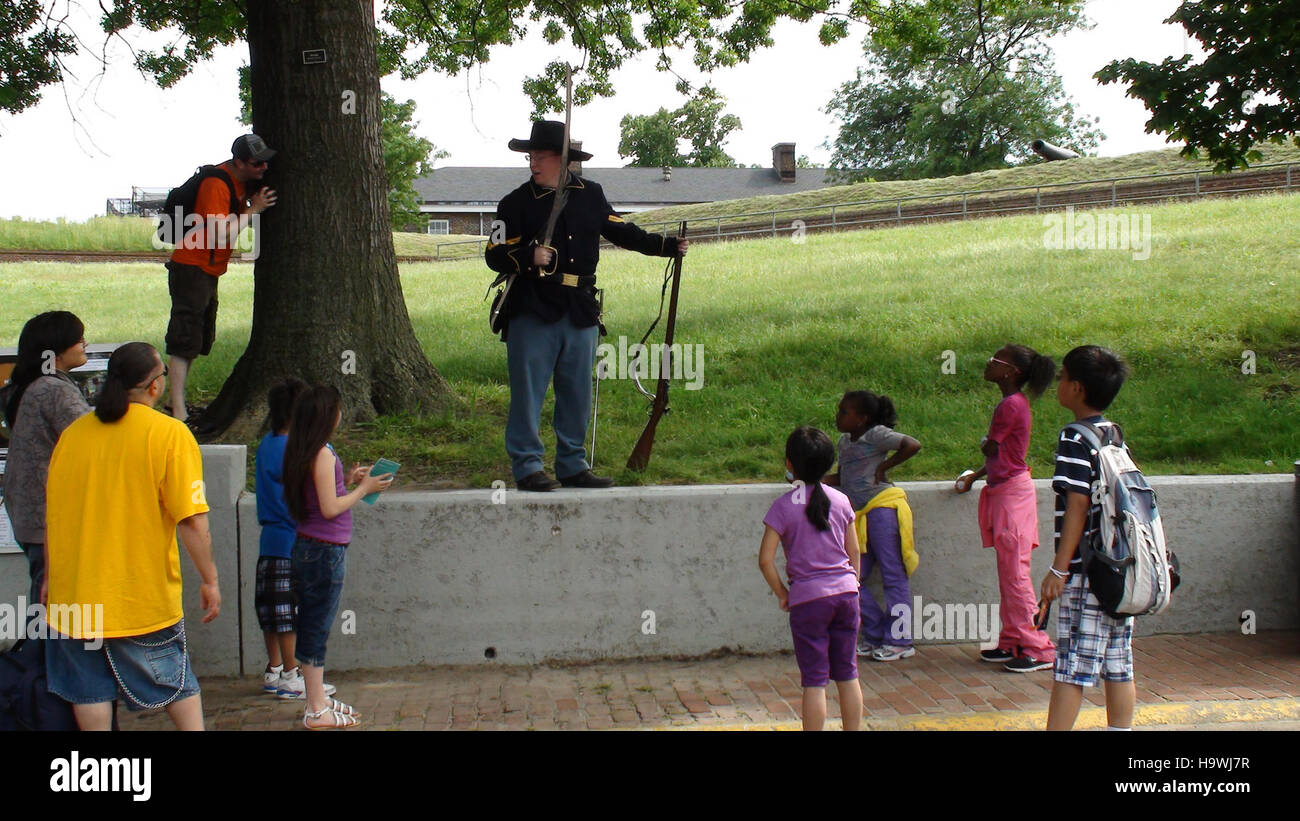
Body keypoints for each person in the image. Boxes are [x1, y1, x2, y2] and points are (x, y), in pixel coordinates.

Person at [485, 120, 688, 491]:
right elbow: (494, 254)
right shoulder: (512, 204)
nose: (534, 163)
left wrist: (665, 246)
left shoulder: (590, 195)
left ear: (563, 160)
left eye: (542, 157)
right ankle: (528, 467)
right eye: (531, 156)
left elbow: (622, 231)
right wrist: (530, 255)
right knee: (529, 393)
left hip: (580, 308)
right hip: (532, 308)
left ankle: (572, 464)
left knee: (577, 391)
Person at [43, 342, 221, 730]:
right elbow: (191, 521)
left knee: (88, 693)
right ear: (155, 386)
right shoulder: (169, 435)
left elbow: (56, 516)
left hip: (72, 597)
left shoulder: (73, 436)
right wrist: (210, 579)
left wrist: (50, 578)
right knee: (176, 684)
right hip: (138, 598)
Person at [281, 385, 392, 729]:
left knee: (312, 623)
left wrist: (347, 480)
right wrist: (363, 490)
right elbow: (329, 508)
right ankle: (315, 708)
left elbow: (319, 496)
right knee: (316, 627)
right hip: (324, 551)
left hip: (309, 547)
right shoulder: (322, 454)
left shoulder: (305, 449)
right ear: (327, 416)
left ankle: (320, 698)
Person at [1039, 345, 1135, 731]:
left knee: (1072, 666)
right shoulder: (1112, 433)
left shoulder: (1074, 439)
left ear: (1076, 388)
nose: (1057, 384)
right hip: (1118, 567)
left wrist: (1058, 571)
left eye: (1062, 377)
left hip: (1086, 571)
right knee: (1118, 663)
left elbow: (1077, 506)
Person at [956, 345, 1057, 673]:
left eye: (995, 360)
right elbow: (1001, 454)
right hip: (1006, 492)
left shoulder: (1010, 406)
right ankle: (1013, 640)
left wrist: (984, 450)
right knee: (1009, 574)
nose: (988, 363)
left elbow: (992, 446)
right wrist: (977, 474)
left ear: (1011, 372)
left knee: (1016, 576)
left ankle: (1038, 648)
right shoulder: (1013, 403)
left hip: (1011, 496)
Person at [165, 133, 278, 425]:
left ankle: (175, 402)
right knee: (184, 340)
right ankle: (177, 410)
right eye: (256, 164)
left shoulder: (239, 181)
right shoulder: (217, 184)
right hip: (192, 268)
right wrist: (253, 210)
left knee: (196, 340)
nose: (263, 169)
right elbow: (219, 233)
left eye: (265, 163)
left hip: (207, 270)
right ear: (238, 162)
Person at [758, 426, 863, 731]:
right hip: (846, 595)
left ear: (790, 464)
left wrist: (783, 593)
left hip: (808, 600)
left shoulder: (782, 507)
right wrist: (853, 583)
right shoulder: (842, 500)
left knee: (815, 681)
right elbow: (854, 550)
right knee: (847, 673)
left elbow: (765, 560)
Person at [252, 377, 338, 700]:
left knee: (272, 610)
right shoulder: (297, 450)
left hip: (270, 540)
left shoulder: (266, 444)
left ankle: (275, 668)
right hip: (293, 540)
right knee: (289, 612)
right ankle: (292, 672)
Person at [1, 312, 90, 612]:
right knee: (53, 603)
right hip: (48, 519)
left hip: (29, 515)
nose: (84, 344)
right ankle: (39, 659)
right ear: (57, 349)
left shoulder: (28, 385)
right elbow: (92, 440)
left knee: (47, 597)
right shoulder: (54, 390)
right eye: (78, 339)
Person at [825, 390, 921, 662]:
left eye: (844, 412)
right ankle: (876, 633)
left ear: (862, 419)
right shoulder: (844, 441)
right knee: (852, 577)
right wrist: (812, 479)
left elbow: (912, 444)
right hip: (860, 516)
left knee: (893, 575)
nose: (838, 417)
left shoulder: (876, 434)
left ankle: (901, 641)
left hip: (883, 508)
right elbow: (844, 477)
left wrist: (884, 467)